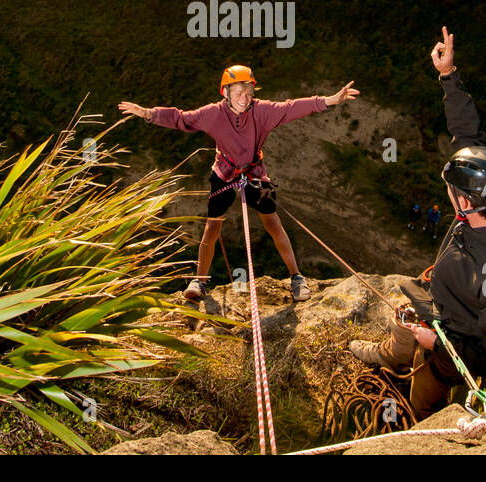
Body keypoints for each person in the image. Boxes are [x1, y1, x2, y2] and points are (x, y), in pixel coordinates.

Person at [349, 27, 486, 419]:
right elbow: (467, 135)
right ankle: (390, 357)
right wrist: (448, 75)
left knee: (422, 399)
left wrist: (435, 342)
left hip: (455, 349)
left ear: (465, 201)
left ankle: (414, 418)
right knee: (407, 316)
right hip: (437, 306)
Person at [119, 65, 358, 303]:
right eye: (238, 93)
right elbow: (181, 119)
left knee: (273, 223)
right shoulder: (212, 113)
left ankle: (296, 277)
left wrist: (330, 100)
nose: (244, 99)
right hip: (224, 173)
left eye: (248, 93)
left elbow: (291, 107)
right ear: (225, 93)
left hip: (254, 174)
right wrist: (149, 114)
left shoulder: (262, 111)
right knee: (212, 227)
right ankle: (200, 281)